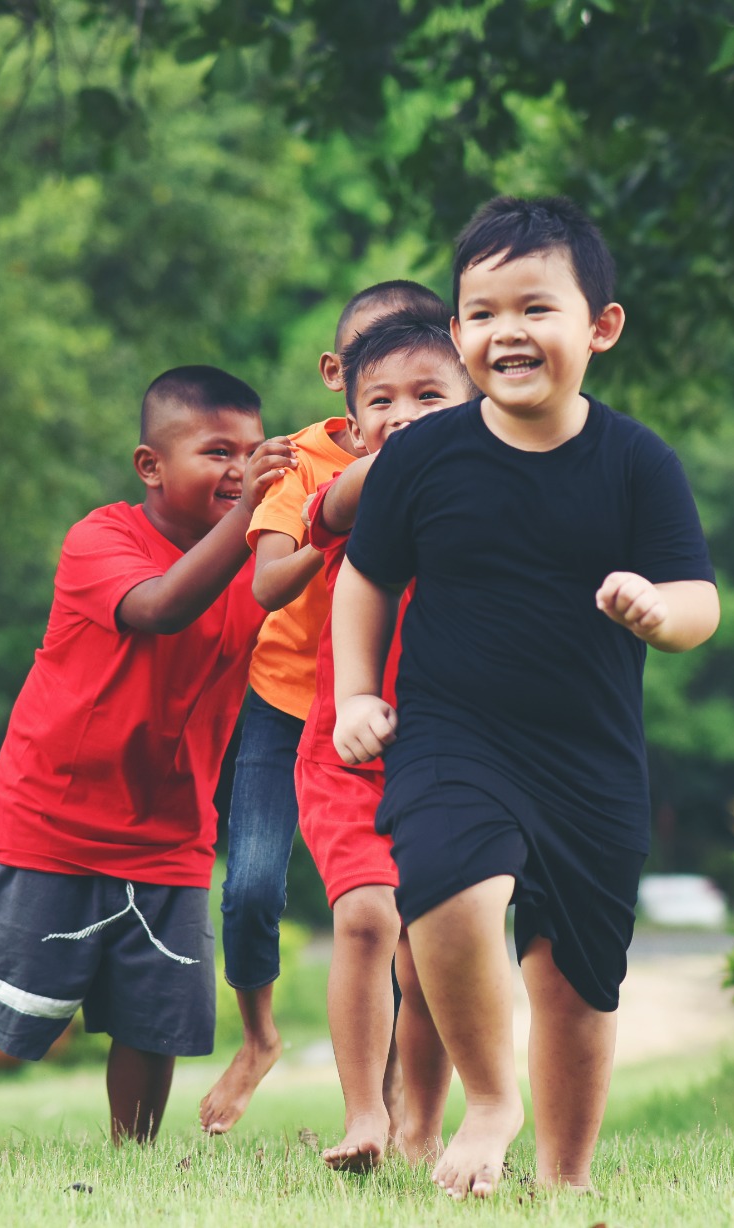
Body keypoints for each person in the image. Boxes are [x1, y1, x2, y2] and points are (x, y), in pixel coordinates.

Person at [329, 196, 721, 1197]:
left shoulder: (636, 462)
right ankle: (490, 1099)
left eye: (534, 307)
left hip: (589, 753)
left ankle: (567, 1178)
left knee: (576, 981)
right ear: (459, 334)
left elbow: (698, 600)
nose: (505, 330)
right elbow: (363, 579)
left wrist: (654, 609)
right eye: (480, 311)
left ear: (599, 326)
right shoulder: (421, 456)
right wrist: (355, 695)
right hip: (451, 732)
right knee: (448, 883)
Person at [0, 366, 296, 1145]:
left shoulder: (259, 565)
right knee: (20, 977)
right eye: (217, 451)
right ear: (151, 467)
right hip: (58, 808)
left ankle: (131, 1154)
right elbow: (161, 607)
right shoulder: (100, 539)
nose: (240, 470)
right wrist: (249, 513)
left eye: (252, 452)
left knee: (158, 1004)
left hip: (174, 819)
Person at [199, 281, 451, 1135]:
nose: (402, 402)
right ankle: (262, 1037)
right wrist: (340, 521)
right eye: (379, 382)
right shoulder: (304, 464)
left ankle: (394, 1098)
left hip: (404, 707)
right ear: (340, 377)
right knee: (254, 889)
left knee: (403, 918)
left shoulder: (461, 457)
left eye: (427, 381)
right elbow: (266, 582)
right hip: (289, 704)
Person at [289, 311, 473, 1170]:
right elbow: (331, 505)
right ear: (355, 422)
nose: (402, 414)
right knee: (366, 918)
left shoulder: (491, 494)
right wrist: (395, 453)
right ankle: (365, 1114)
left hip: (448, 755)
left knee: (431, 944)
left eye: (428, 396)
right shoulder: (355, 488)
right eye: (382, 401)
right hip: (347, 754)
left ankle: (422, 1124)